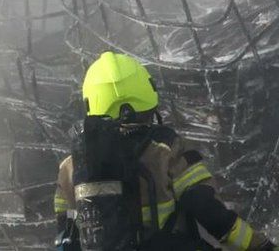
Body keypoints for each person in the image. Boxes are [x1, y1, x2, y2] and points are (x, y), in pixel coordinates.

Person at [54, 51, 276, 251]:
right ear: (146, 92)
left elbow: (65, 237)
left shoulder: (70, 166)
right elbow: (210, 213)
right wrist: (261, 246)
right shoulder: (165, 149)